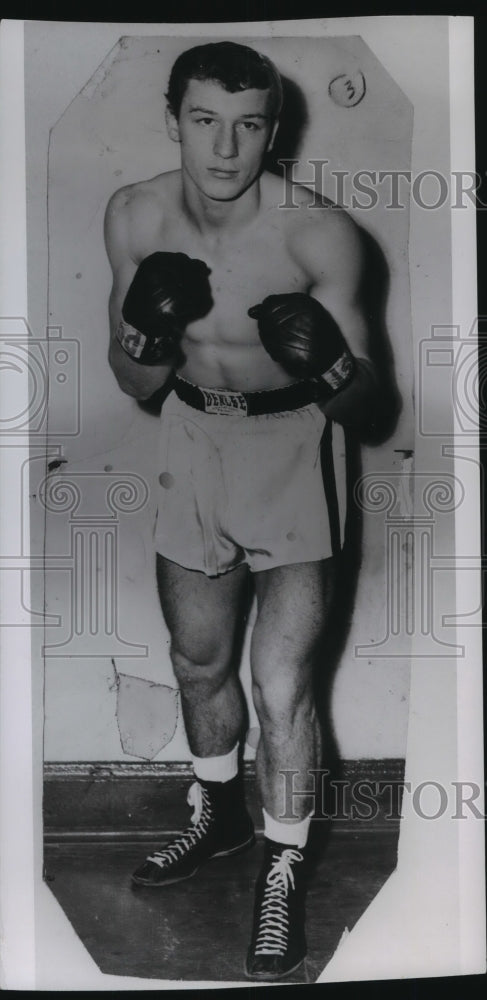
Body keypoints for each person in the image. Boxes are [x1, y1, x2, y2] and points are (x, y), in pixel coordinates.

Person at [104, 40, 380, 981]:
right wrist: (147, 328)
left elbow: (368, 407)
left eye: (249, 125)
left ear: (274, 127)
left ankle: (283, 863)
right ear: (173, 115)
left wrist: (331, 365)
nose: (227, 149)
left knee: (282, 687)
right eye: (205, 121)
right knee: (196, 661)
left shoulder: (319, 234)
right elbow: (137, 380)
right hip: (191, 437)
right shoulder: (135, 214)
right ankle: (217, 816)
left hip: (294, 444)